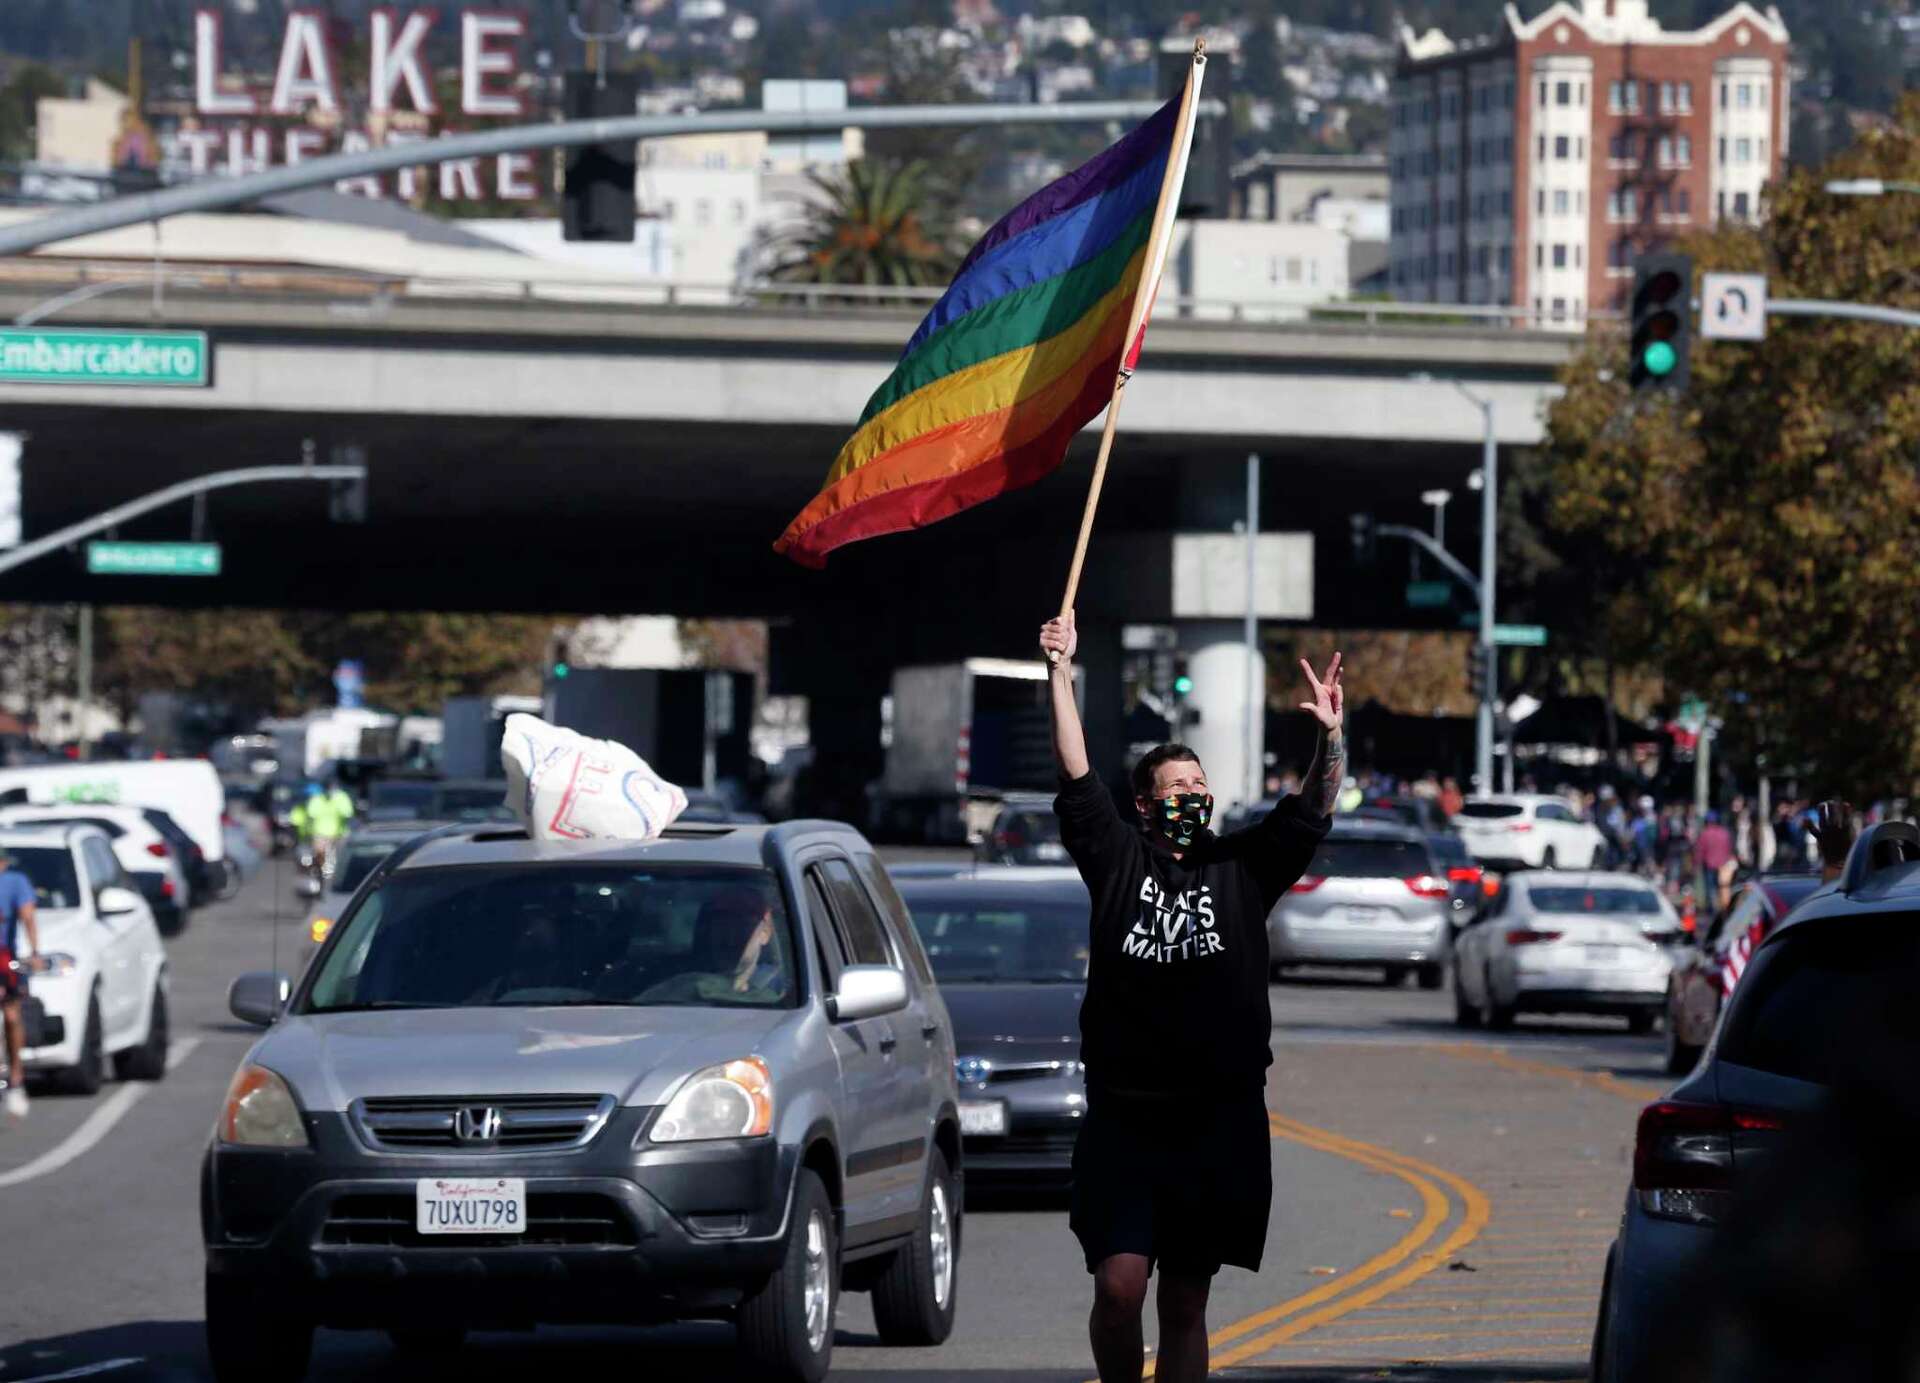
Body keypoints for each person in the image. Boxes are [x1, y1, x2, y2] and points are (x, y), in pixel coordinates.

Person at [1039, 610, 1343, 1383]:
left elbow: (1312, 810)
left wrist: (1329, 739)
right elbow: (1077, 778)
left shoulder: (1242, 867)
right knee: (1119, 1288)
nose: (1192, 794)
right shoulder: (1116, 861)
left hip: (1216, 1124)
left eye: (1200, 783)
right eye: (1176, 786)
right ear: (1145, 803)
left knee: (1183, 1299)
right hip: (1125, 1122)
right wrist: (1060, 673)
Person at [0, 844, 47, 1119]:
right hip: (4, 957)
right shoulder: (16, 880)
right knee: (12, 1014)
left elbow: (27, 916)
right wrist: (35, 952)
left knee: (12, 1013)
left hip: (4, 958)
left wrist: (34, 951)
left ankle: (15, 1072)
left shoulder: (15, 882)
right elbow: (28, 917)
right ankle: (15, 1072)